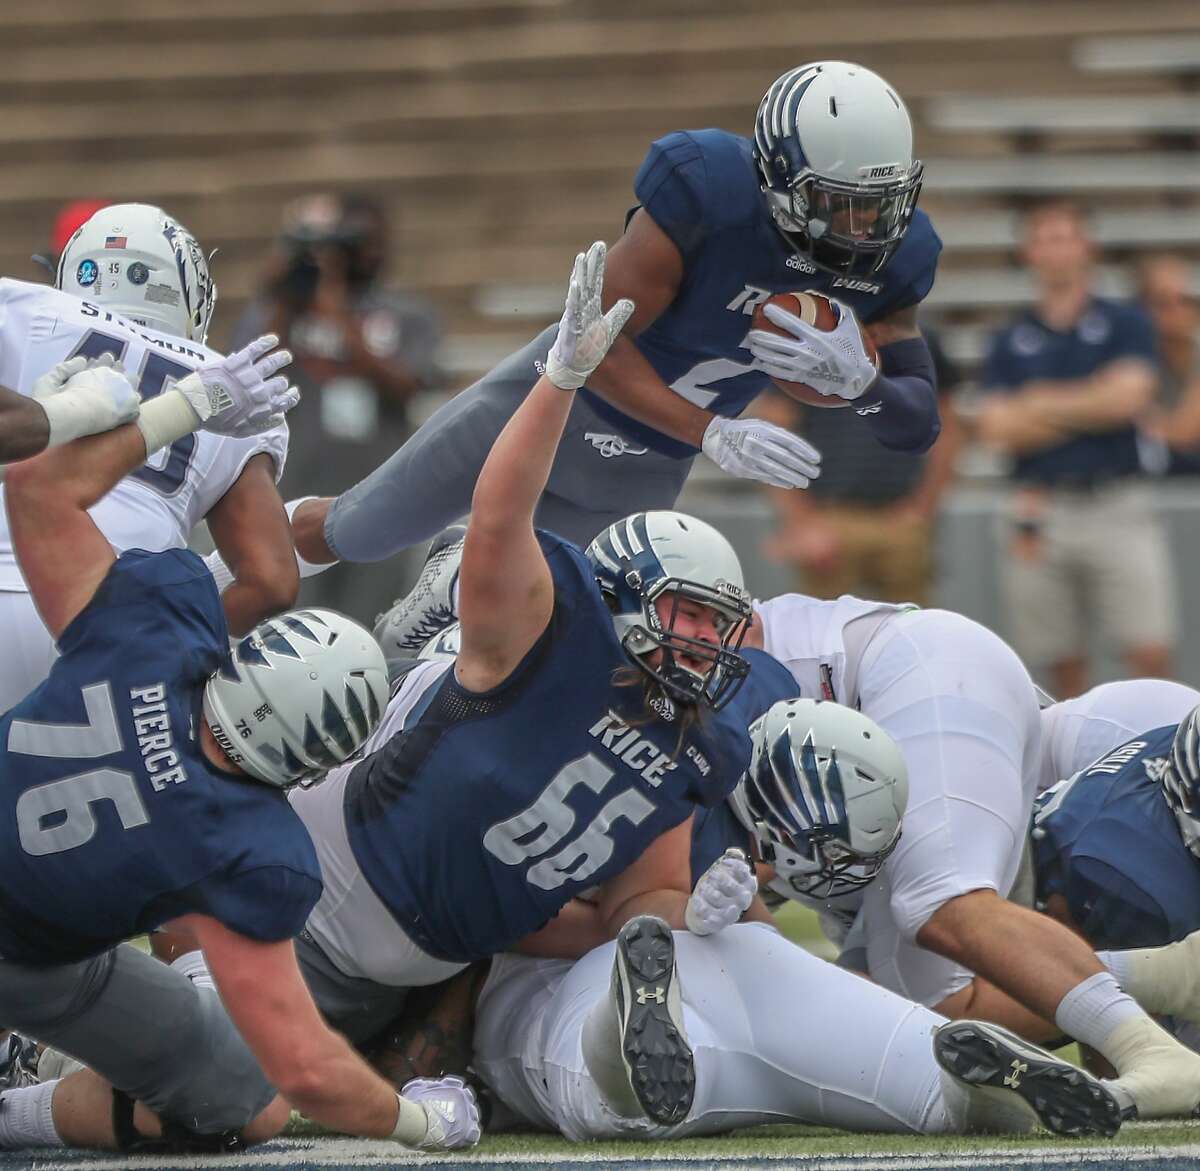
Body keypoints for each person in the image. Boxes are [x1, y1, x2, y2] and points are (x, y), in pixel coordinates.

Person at [0, 345, 479, 1153]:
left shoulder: (155, 626)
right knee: (242, 1099)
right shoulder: (253, 847)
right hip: (40, 965)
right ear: (315, 761)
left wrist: (182, 406)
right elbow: (306, 1070)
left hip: (42, 949)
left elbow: (34, 481)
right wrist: (424, 1119)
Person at [280, 61, 942, 616]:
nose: (861, 228)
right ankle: (221, 571)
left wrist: (864, 384)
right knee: (358, 529)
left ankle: (447, 593)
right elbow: (592, 346)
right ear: (775, 174)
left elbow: (915, 426)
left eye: (876, 205)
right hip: (549, 404)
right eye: (837, 203)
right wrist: (712, 430)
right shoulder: (710, 192)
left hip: (644, 464)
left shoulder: (898, 259)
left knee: (547, 627)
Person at [375, 700, 1124, 1142]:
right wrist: (682, 911)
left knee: (654, 1080)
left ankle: (624, 1052)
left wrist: (692, 909)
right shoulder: (685, 724)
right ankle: (954, 1086)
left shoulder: (663, 723)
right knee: (783, 1033)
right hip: (653, 955)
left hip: (639, 964)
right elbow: (489, 920)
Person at [731, 592, 1200, 1118]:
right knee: (890, 1012)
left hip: (955, 701)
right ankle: (1162, 1001)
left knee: (935, 944)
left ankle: (1164, 1003)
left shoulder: (702, 716)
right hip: (1062, 736)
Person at [0, 203, 303, 713]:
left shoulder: (26, 310)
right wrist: (166, 646)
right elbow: (270, 580)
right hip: (110, 623)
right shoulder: (225, 377)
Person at [975, 200, 1173, 699]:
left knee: (1150, 649)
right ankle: (1073, 768)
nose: (1056, 249)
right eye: (1045, 238)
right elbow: (997, 428)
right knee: (1058, 660)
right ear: (1028, 252)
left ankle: (1158, 758)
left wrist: (1037, 403)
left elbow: (1129, 397)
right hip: (1039, 508)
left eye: (1066, 236)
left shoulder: (1125, 322)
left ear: (1088, 247)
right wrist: (1091, 402)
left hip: (1116, 502)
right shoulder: (1010, 336)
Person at [232, 193, 443, 624]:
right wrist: (282, 291)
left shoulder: (409, 314)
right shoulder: (283, 313)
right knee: (294, 623)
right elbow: (251, 372)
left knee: (371, 621)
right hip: (295, 497)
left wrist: (339, 316)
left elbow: (408, 385)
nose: (364, 252)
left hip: (382, 494)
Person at [762, 326, 962, 605]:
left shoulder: (917, 337)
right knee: (821, 639)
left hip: (900, 516)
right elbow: (776, 430)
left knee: (911, 637)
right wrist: (802, 520)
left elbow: (947, 427)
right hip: (830, 516)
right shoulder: (808, 332)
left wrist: (923, 508)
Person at [1135, 254, 1200, 475]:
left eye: (1186, 300)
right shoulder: (1132, 359)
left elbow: (1186, 431)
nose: (1177, 311)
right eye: (1163, 302)